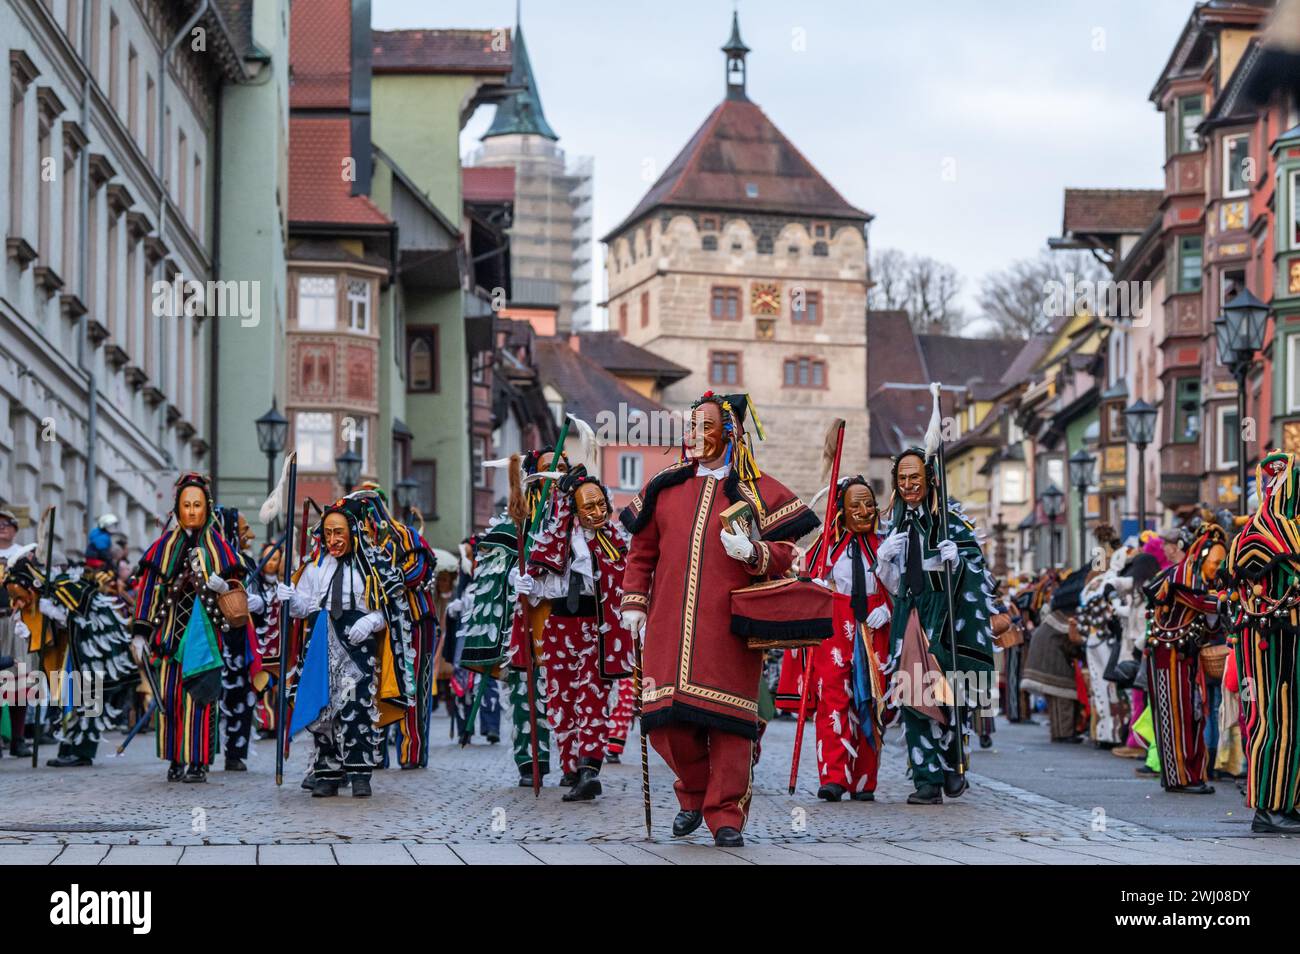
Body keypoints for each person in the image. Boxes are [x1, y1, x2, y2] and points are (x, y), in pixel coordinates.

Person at [620, 392, 817, 847]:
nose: (693, 436)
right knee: (665, 721)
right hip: (667, 624)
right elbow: (641, 552)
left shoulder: (760, 491)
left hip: (731, 627)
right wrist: (633, 601)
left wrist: (756, 553)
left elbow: (788, 554)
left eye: (704, 427)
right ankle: (692, 793)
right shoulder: (664, 486)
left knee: (729, 724)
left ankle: (726, 815)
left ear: (731, 433)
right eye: (691, 426)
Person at [872, 447, 998, 805]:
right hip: (910, 615)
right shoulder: (894, 524)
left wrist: (958, 562)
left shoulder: (952, 523)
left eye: (915, 477)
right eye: (902, 479)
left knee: (950, 694)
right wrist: (884, 562)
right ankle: (926, 777)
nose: (909, 485)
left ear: (929, 480)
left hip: (945, 620)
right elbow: (895, 586)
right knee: (913, 696)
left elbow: (979, 576)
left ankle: (954, 766)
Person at [278, 498, 414, 798]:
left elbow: (390, 611)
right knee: (322, 710)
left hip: (356, 648)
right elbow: (304, 608)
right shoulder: (314, 567)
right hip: (320, 647)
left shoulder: (372, 566)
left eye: (338, 532)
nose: (333, 540)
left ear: (352, 532)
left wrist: (370, 622)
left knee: (355, 708)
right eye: (327, 533)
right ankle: (327, 772)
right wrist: (289, 598)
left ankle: (360, 773)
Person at [516, 468, 633, 801]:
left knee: (592, 699)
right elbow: (539, 584)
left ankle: (589, 769)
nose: (596, 512)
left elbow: (627, 584)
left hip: (598, 629)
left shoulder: (615, 543)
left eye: (600, 505)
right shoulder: (554, 540)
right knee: (560, 699)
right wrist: (525, 584)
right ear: (574, 510)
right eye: (588, 507)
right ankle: (569, 766)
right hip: (560, 627)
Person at [132, 474, 246, 782]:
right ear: (177, 508)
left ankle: (197, 760)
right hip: (169, 637)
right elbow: (149, 590)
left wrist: (223, 586)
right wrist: (140, 633)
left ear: (207, 508)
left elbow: (238, 589)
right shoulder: (163, 548)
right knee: (169, 699)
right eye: (186, 505)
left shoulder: (219, 547)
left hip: (204, 638)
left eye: (197, 505)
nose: (192, 511)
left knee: (201, 698)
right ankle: (175, 758)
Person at [1225, 451, 1300, 831]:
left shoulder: (1259, 529)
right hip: (1274, 636)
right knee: (1278, 718)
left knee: (1289, 718)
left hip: (1279, 634)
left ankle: (1289, 801)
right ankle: (1270, 807)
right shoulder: (1268, 530)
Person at [5, 552, 135, 766]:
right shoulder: (52, 588)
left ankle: (82, 752)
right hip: (73, 656)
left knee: (87, 699)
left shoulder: (70, 584)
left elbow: (82, 612)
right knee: (70, 701)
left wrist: (57, 612)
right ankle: (69, 747)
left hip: (89, 656)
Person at [1142, 521, 1223, 796]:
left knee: (1194, 714)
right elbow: (1201, 603)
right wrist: (1230, 599)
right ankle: (1179, 777)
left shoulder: (1202, 580)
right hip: (1168, 654)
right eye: (1215, 561)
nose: (1217, 567)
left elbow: (1211, 624)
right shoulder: (1181, 577)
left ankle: (1194, 773)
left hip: (1187, 654)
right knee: (1175, 714)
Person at [214, 507, 260, 771]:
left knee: (240, 697)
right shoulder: (210, 561)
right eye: (244, 529)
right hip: (213, 639)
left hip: (240, 641)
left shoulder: (247, 563)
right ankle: (201, 753)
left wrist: (258, 603)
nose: (251, 535)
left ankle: (235, 752)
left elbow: (262, 601)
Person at [1022, 569, 1088, 743]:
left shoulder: (1061, 614)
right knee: (1062, 694)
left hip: (1047, 654)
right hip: (1051, 657)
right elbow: (1072, 640)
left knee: (1061, 696)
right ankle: (1063, 734)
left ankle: (1064, 732)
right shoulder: (1068, 617)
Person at [0, 509, 32, 758]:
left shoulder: (23, 555)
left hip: (15, 621)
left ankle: (18, 738)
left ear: (14, 528)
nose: (2, 528)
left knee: (18, 679)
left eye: (6, 524)